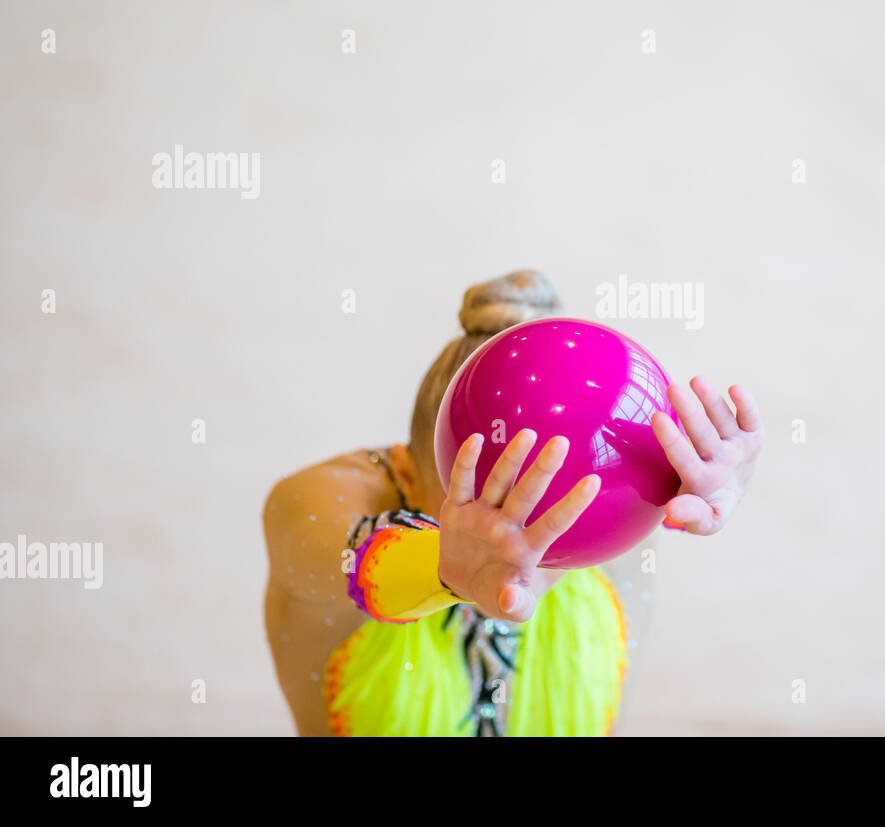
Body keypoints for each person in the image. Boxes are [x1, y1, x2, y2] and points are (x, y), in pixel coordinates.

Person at [262, 269, 764, 735]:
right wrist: (444, 569)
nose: (524, 548)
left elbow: (670, 504)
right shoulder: (323, 504)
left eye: (551, 511)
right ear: (405, 471)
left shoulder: (609, 536)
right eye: (492, 511)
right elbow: (319, 547)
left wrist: (705, 481)